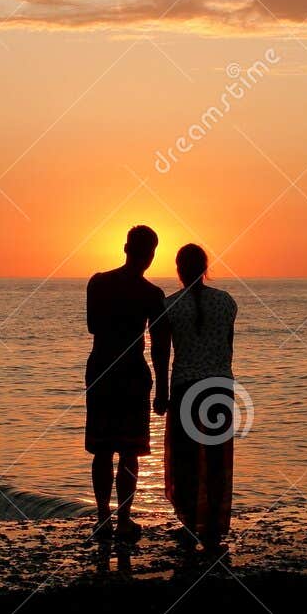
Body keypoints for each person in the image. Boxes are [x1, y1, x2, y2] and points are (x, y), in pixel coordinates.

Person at [152, 244, 239, 557]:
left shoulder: (169, 306)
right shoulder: (226, 302)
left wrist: (160, 393)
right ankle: (213, 526)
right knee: (216, 459)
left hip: (186, 387)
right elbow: (228, 348)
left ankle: (189, 524)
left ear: (179, 268)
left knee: (186, 460)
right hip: (219, 386)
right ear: (205, 267)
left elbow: (161, 354)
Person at [85, 225, 166, 544]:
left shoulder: (98, 283)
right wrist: (163, 389)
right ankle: (123, 520)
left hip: (101, 369)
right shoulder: (152, 294)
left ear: (124, 247)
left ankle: (103, 517)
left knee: (102, 448)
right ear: (150, 255)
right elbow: (160, 345)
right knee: (129, 449)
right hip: (132, 372)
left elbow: (93, 326)